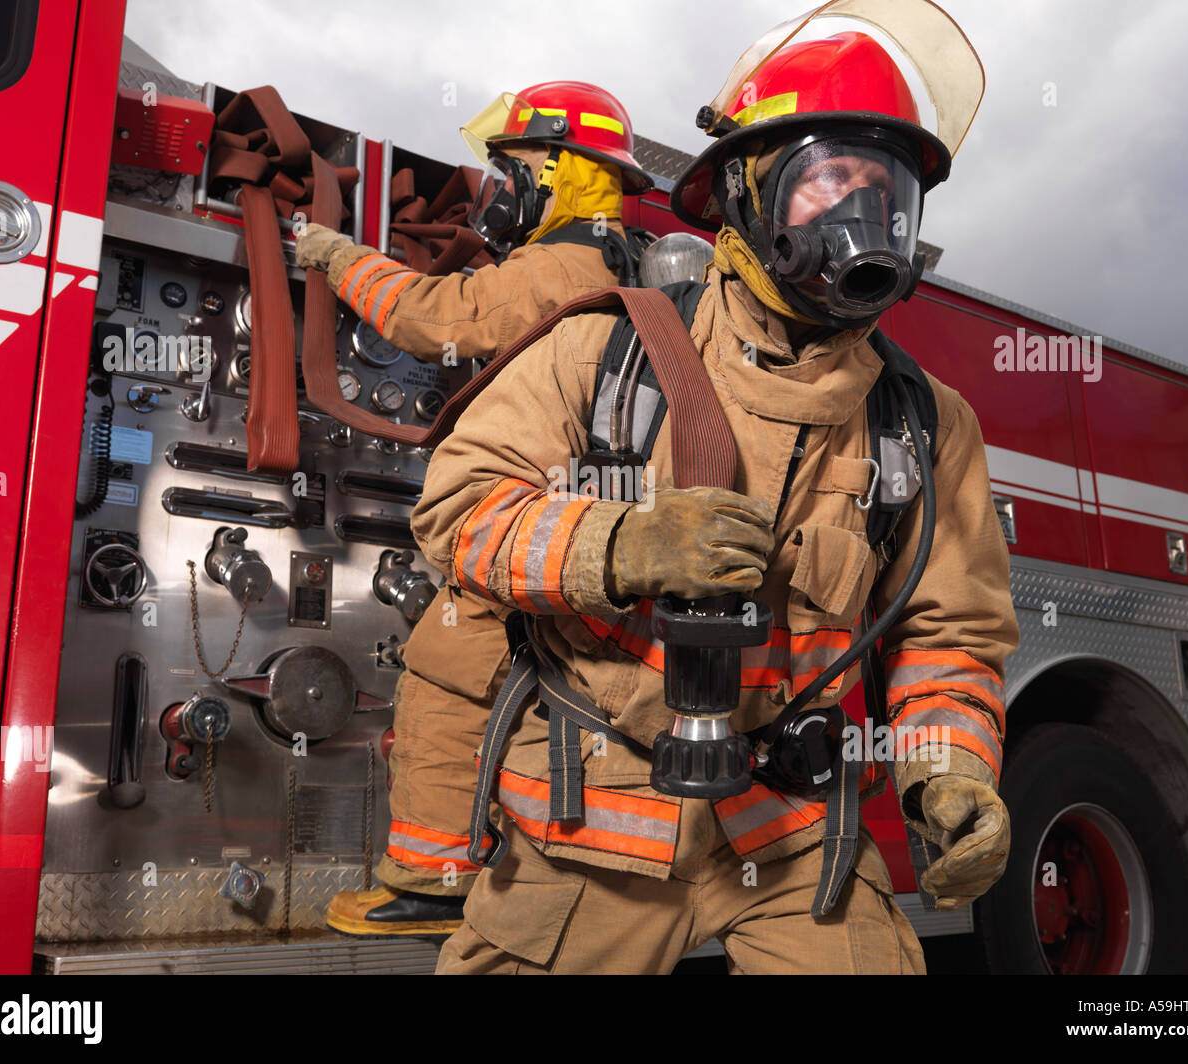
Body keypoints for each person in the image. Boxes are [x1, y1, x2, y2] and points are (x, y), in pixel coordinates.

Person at [410, 4, 1020, 974]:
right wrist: (618, 545)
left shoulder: (924, 421)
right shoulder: (605, 347)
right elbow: (455, 513)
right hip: (591, 830)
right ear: (747, 192)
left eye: (884, 188)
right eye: (828, 179)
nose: (860, 216)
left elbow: (948, 636)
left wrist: (949, 771)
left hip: (792, 832)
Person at [294, 81, 652, 935]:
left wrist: (334, 256)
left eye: (515, 170)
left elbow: (431, 319)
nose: (501, 191)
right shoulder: (615, 263)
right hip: (590, 534)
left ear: (561, 174)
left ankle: (431, 882)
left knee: (449, 670)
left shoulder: (564, 265)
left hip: (535, 529)